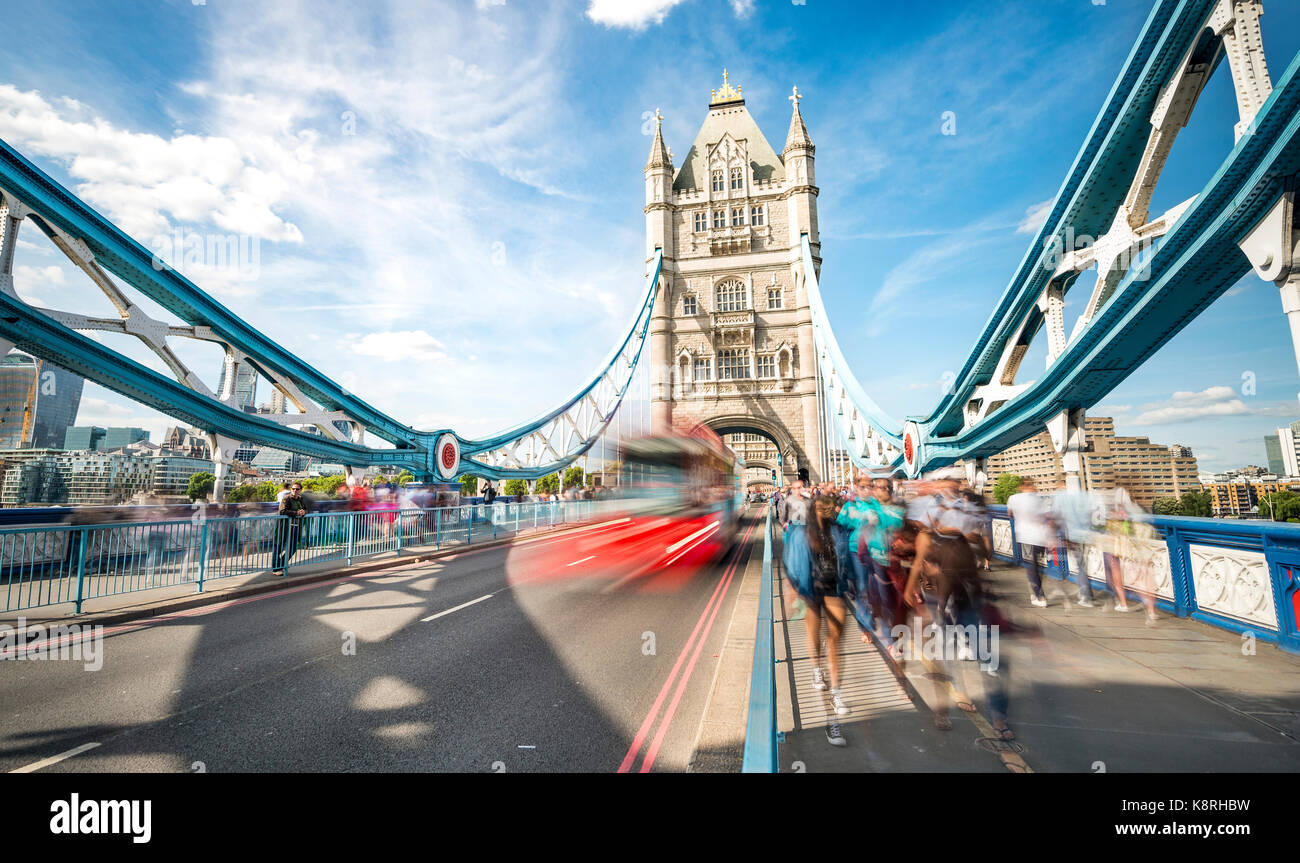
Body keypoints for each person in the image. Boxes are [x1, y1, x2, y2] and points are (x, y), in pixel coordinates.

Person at [802, 495, 852, 746]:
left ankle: (836, 691)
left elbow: (849, 557)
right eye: (821, 507)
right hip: (811, 589)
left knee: (835, 640)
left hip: (834, 587)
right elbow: (794, 563)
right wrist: (794, 592)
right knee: (814, 636)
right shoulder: (802, 532)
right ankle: (815, 671)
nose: (827, 510)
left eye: (830, 506)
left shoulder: (840, 530)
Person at [1006, 479, 1055, 607]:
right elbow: (1048, 518)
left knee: (1031, 566)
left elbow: (1009, 514)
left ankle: (1039, 595)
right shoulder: (1040, 499)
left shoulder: (1013, 498)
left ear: (1021, 487)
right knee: (1037, 566)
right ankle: (1038, 592)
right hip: (1041, 536)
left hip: (1025, 536)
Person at [272, 482, 309, 575]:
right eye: (293, 489)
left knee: (293, 548)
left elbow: (306, 509)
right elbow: (283, 511)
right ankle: (276, 569)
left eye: (297, 489)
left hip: (295, 527)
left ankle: (280, 565)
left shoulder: (301, 499)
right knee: (278, 547)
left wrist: (304, 512)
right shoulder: (286, 499)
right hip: (283, 527)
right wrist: (296, 513)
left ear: (300, 490)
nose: (295, 491)